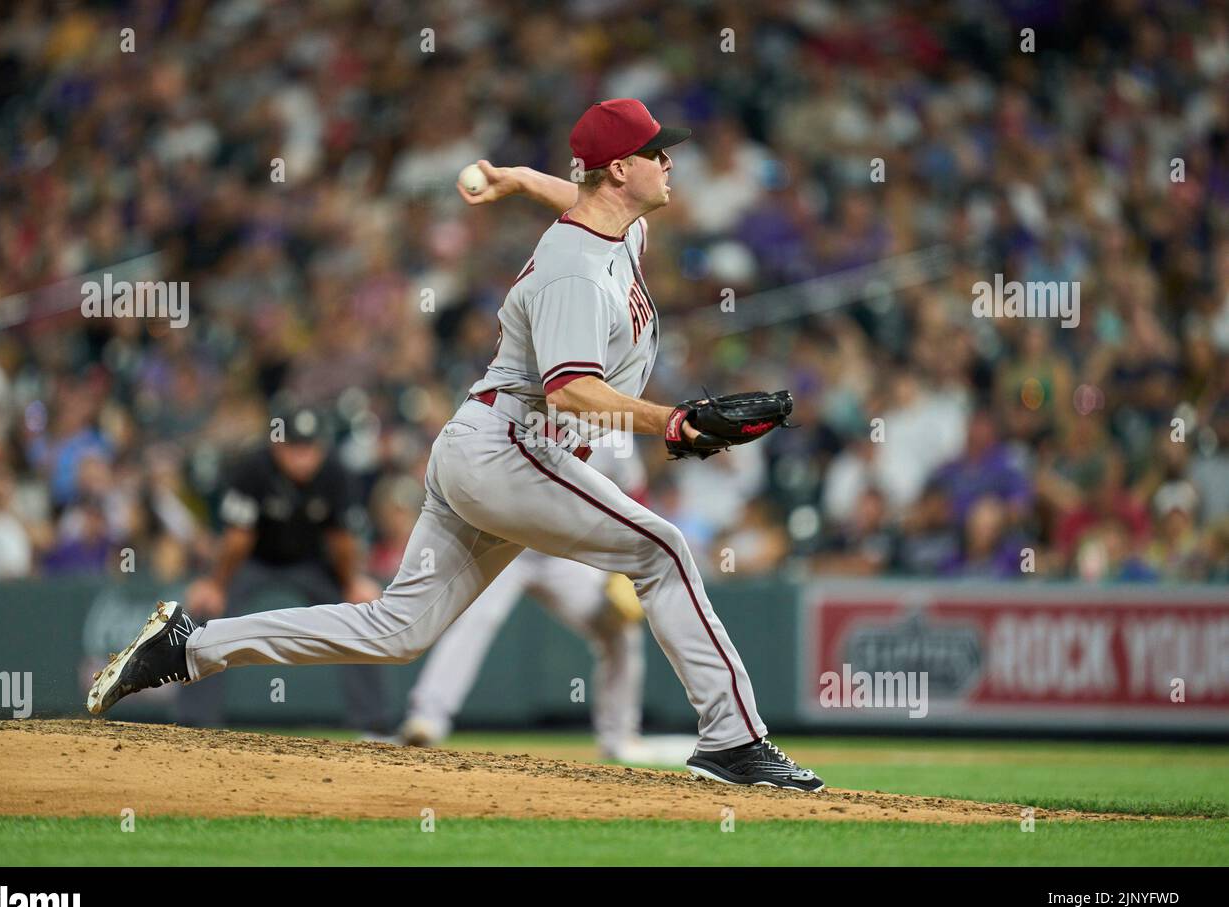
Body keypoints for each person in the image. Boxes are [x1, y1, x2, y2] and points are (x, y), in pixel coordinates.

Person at [87, 99, 824, 791]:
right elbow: (570, 390)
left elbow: (577, 201)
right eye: (657, 152)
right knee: (661, 550)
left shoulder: (618, 225)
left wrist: (516, 179)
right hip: (511, 448)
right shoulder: (574, 272)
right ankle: (734, 738)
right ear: (621, 170)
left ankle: (186, 647)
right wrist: (668, 419)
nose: (670, 162)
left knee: (396, 629)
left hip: (491, 450)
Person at [399, 443, 650, 761]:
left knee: (619, 629)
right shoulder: (525, 408)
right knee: (475, 619)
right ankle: (428, 718)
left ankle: (620, 736)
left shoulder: (612, 430)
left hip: (565, 553)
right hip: (503, 543)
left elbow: (635, 496)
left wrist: (627, 561)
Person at [179, 405, 389, 733]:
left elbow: (342, 541)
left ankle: (373, 726)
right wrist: (216, 584)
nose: (303, 458)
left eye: (310, 448)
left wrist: (352, 583)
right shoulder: (255, 468)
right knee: (207, 613)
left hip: (313, 562)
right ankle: (195, 723)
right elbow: (237, 540)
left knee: (360, 614)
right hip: (256, 559)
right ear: (277, 446)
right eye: (294, 448)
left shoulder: (334, 473)